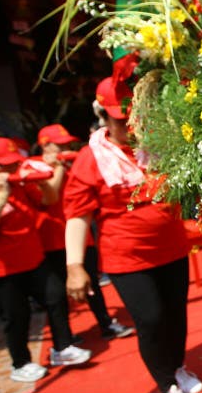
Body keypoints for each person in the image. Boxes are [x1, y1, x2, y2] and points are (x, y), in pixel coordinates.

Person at [63, 77, 202, 393]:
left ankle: (178, 366)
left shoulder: (159, 144)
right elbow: (78, 216)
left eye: (133, 116)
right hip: (127, 257)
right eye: (119, 119)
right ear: (103, 117)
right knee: (151, 320)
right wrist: (75, 266)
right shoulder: (90, 158)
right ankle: (166, 385)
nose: (128, 125)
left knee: (175, 315)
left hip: (171, 248)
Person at [0, 137, 91, 383]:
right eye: (4, 165)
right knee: (16, 315)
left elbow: (49, 199)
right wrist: (1, 195)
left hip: (32, 257)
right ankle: (20, 362)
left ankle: (62, 347)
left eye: (13, 163)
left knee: (55, 296)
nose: (11, 168)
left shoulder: (21, 178)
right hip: (1, 268)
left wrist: (42, 182)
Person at [35, 124, 135, 340]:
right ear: (45, 145)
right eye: (59, 145)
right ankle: (63, 342)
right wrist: (60, 167)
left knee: (93, 284)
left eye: (66, 144)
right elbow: (50, 196)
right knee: (57, 294)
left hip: (83, 239)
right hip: (52, 240)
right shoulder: (33, 167)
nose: (65, 148)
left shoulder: (76, 164)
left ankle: (106, 325)